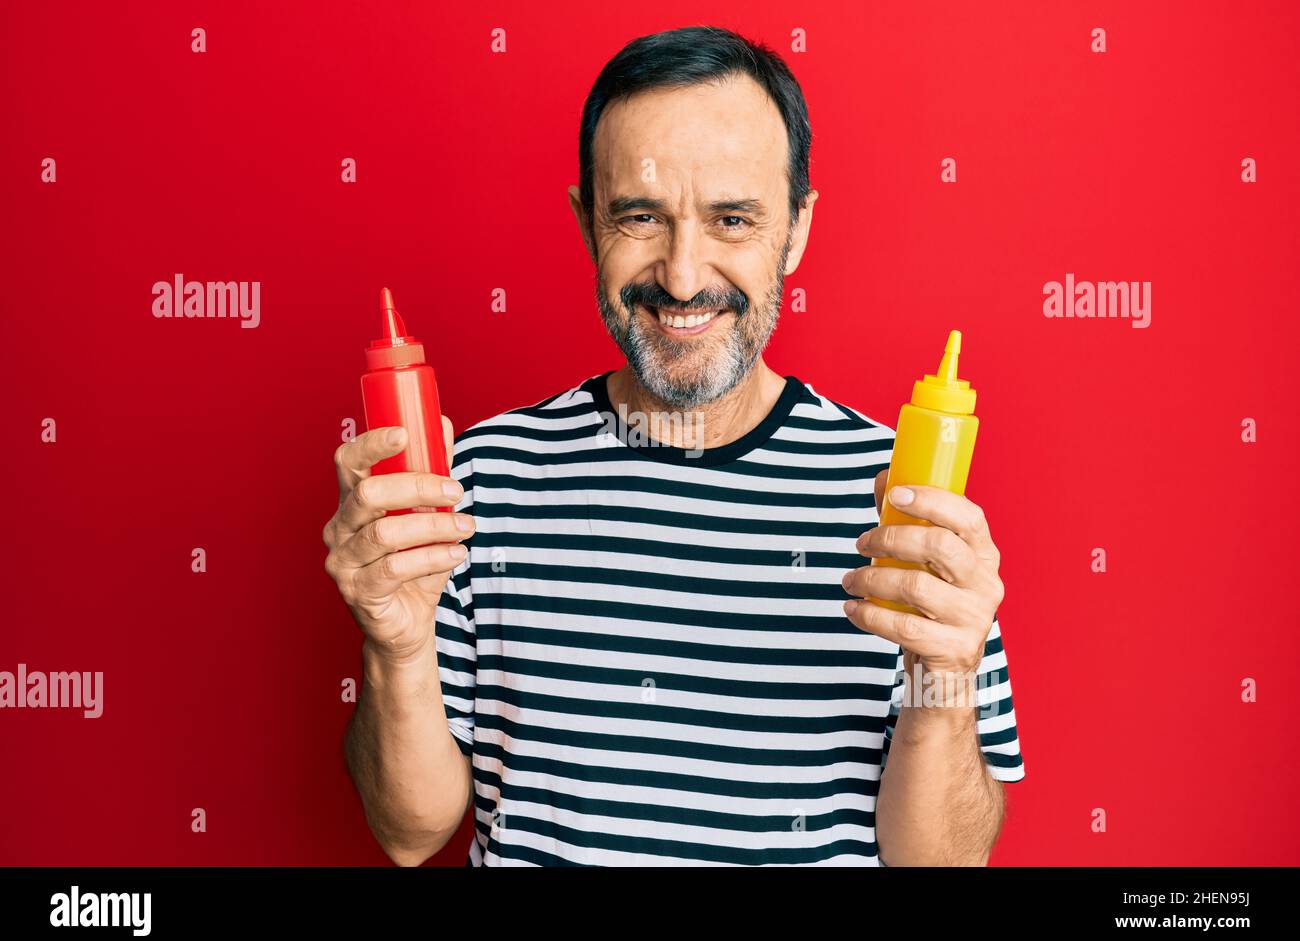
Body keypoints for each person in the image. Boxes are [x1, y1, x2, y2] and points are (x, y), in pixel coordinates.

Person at [323, 25, 1025, 867]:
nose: (684, 275)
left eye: (732, 219)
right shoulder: (477, 485)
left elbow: (942, 862)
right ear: (588, 224)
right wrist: (393, 645)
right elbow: (409, 833)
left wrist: (941, 684)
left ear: (797, 229)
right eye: (642, 216)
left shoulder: (901, 503)